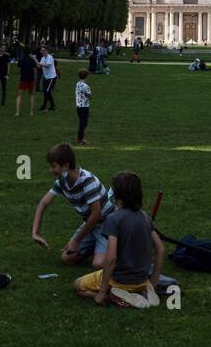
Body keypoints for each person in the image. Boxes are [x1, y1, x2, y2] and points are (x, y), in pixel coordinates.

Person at [74, 171, 164, 309]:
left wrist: (101, 291)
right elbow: (161, 249)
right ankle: (144, 291)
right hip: (142, 280)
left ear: (117, 196)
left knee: (78, 285)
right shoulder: (145, 217)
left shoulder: (113, 219)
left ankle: (113, 296)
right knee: (137, 284)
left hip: (119, 280)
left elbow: (111, 259)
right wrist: (154, 280)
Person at [32, 143, 113, 268]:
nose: (51, 170)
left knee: (98, 264)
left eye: (54, 166)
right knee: (67, 258)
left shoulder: (87, 180)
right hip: (91, 225)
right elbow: (43, 203)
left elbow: (96, 214)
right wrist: (35, 233)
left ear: (66, 165)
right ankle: (97, 247)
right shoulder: (62, 182)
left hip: (107, 224)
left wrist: (76, 241)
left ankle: (116, 245)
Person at [13, 45, 36, 116]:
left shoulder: (21, 60)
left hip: (23, 79)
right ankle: (31, 112)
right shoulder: (32, 60)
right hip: (31, 78)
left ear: (23, 52)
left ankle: (17, 112)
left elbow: (19, 67)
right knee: (31, 95)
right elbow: (35, 69)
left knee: (19, 95)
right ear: (30, 52)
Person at [39, 44, 57, 112]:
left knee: (47, 92)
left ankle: (44, 106)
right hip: (46, 77)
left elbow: (47, 66)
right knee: (46, 92)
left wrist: (39, 64)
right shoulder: (43, 58)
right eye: (41, 50)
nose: (41, 51)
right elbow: (39, 66)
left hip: (51, 77)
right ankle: (52, 106)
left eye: (42, 50)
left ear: (46, 51)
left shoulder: (50, 57)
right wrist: (34, 59)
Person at [76, 69, 92, 146]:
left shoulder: (78, 84)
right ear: (86, 76)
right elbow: (89, 95)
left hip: (78, 106)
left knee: (82, 122)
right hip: (84, 106)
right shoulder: (86, 86)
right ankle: (80, 140)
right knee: (83, 124)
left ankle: (81, 138)